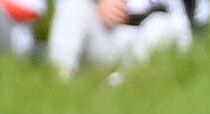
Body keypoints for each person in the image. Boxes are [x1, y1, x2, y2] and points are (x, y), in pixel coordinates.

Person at [47, 0, 195, 80]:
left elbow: (186, 24)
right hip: (106, 40)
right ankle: (61, 78)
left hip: (147, 52)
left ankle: (122, 82)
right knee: (75, 6)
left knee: (160, 25)